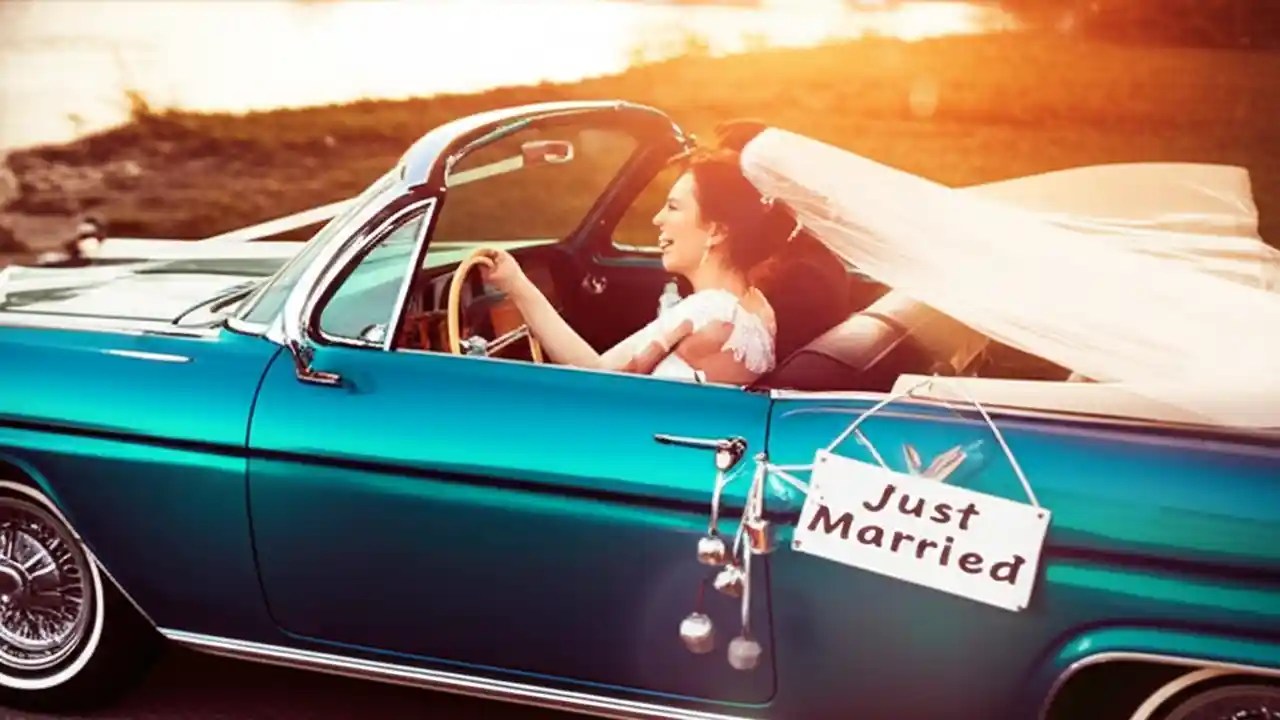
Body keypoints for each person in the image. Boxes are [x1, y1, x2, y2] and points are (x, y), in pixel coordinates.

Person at [477, 148, 791, 385]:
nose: (658, 219)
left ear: (717, 231)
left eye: (673, 207)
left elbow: (595, 376)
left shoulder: (704, 311)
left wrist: (516, 284)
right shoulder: (759, 308)